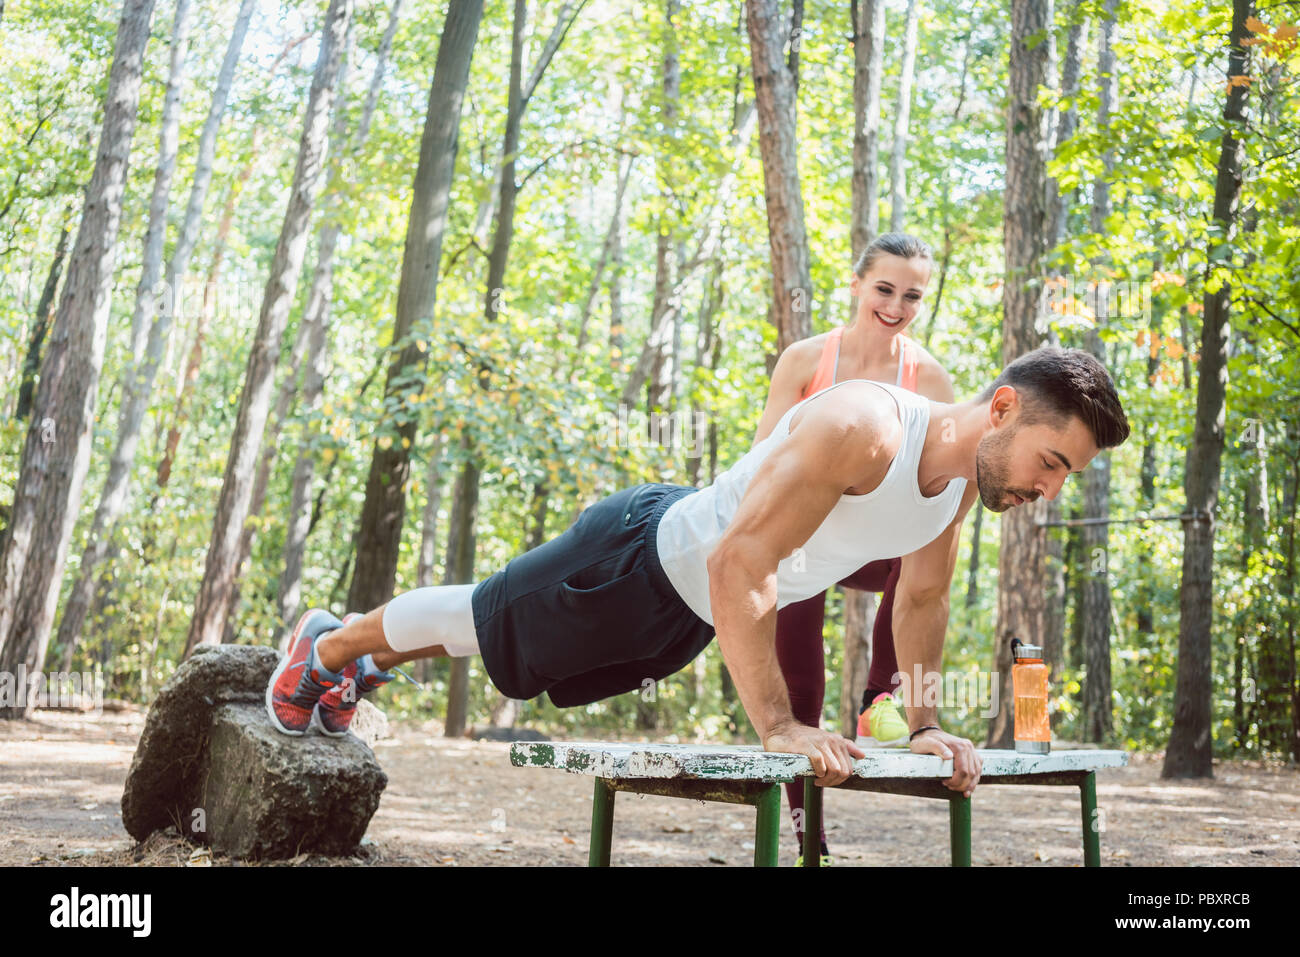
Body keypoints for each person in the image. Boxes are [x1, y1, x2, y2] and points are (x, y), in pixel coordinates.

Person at [266, 346, 1130, 812]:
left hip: (692, 615)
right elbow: (739, 560)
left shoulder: (951, 496)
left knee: (516, 663)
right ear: (1005, 408)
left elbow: (923, 599)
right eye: (1051, 462)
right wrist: (781, 726)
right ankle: (331, 643)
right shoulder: (866, 427)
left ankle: (366, 662)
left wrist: (928, 725)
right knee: (482, 620)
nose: (1047, 490)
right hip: (641, 559)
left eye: (1063, 479)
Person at [753, 232, 956, 863]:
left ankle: (878, 701)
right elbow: (763, 462)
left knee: (921, 542)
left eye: (912, 295)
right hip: (807, 537)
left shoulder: (930, 378)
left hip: (876, 542)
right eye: (885, 289)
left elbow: (936, 488)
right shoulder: (805, 360)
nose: (896, 305)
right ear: (857, 285)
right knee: (799, 659)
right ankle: (804, 827)